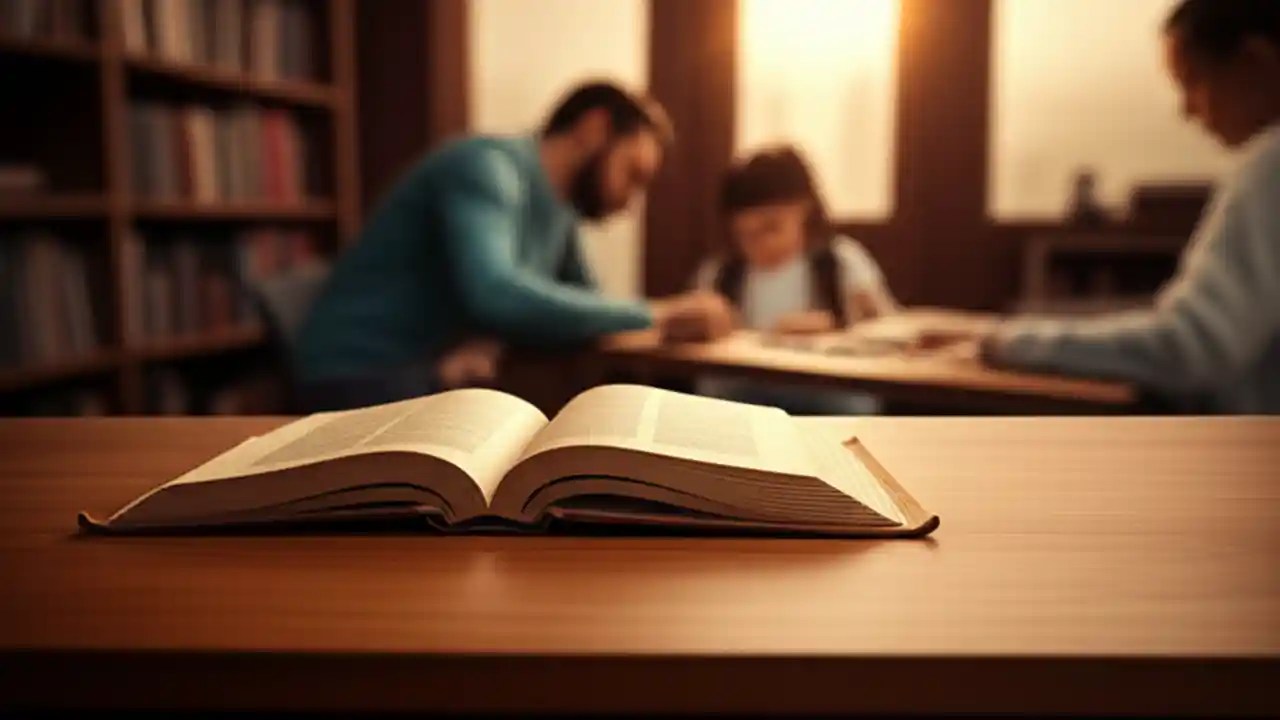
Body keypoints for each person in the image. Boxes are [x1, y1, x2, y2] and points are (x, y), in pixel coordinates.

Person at [295, 80, 733, 410]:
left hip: (433, 371)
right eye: (633, 174)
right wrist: (659, 313)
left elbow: (587, 306)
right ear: (593, 129)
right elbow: (496, 294)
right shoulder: (487, 167)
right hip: (357, 375)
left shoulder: (559, 209)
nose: (629, 202)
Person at [940, 0, 1280, 413]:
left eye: (1194, 82)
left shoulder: (1271, 165)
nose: (1188, 111)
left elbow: (1191, 349)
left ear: (1254, 62)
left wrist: (1004, 341)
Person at [693, 146, 897, 414]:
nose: (761, 244)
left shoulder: (839, 262)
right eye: (746, 236)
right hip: (745, 391)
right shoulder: (721, 273)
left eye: (771, 228)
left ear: (804, 210)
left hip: (827, 388)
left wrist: (837, 327)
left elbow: (889, 333)